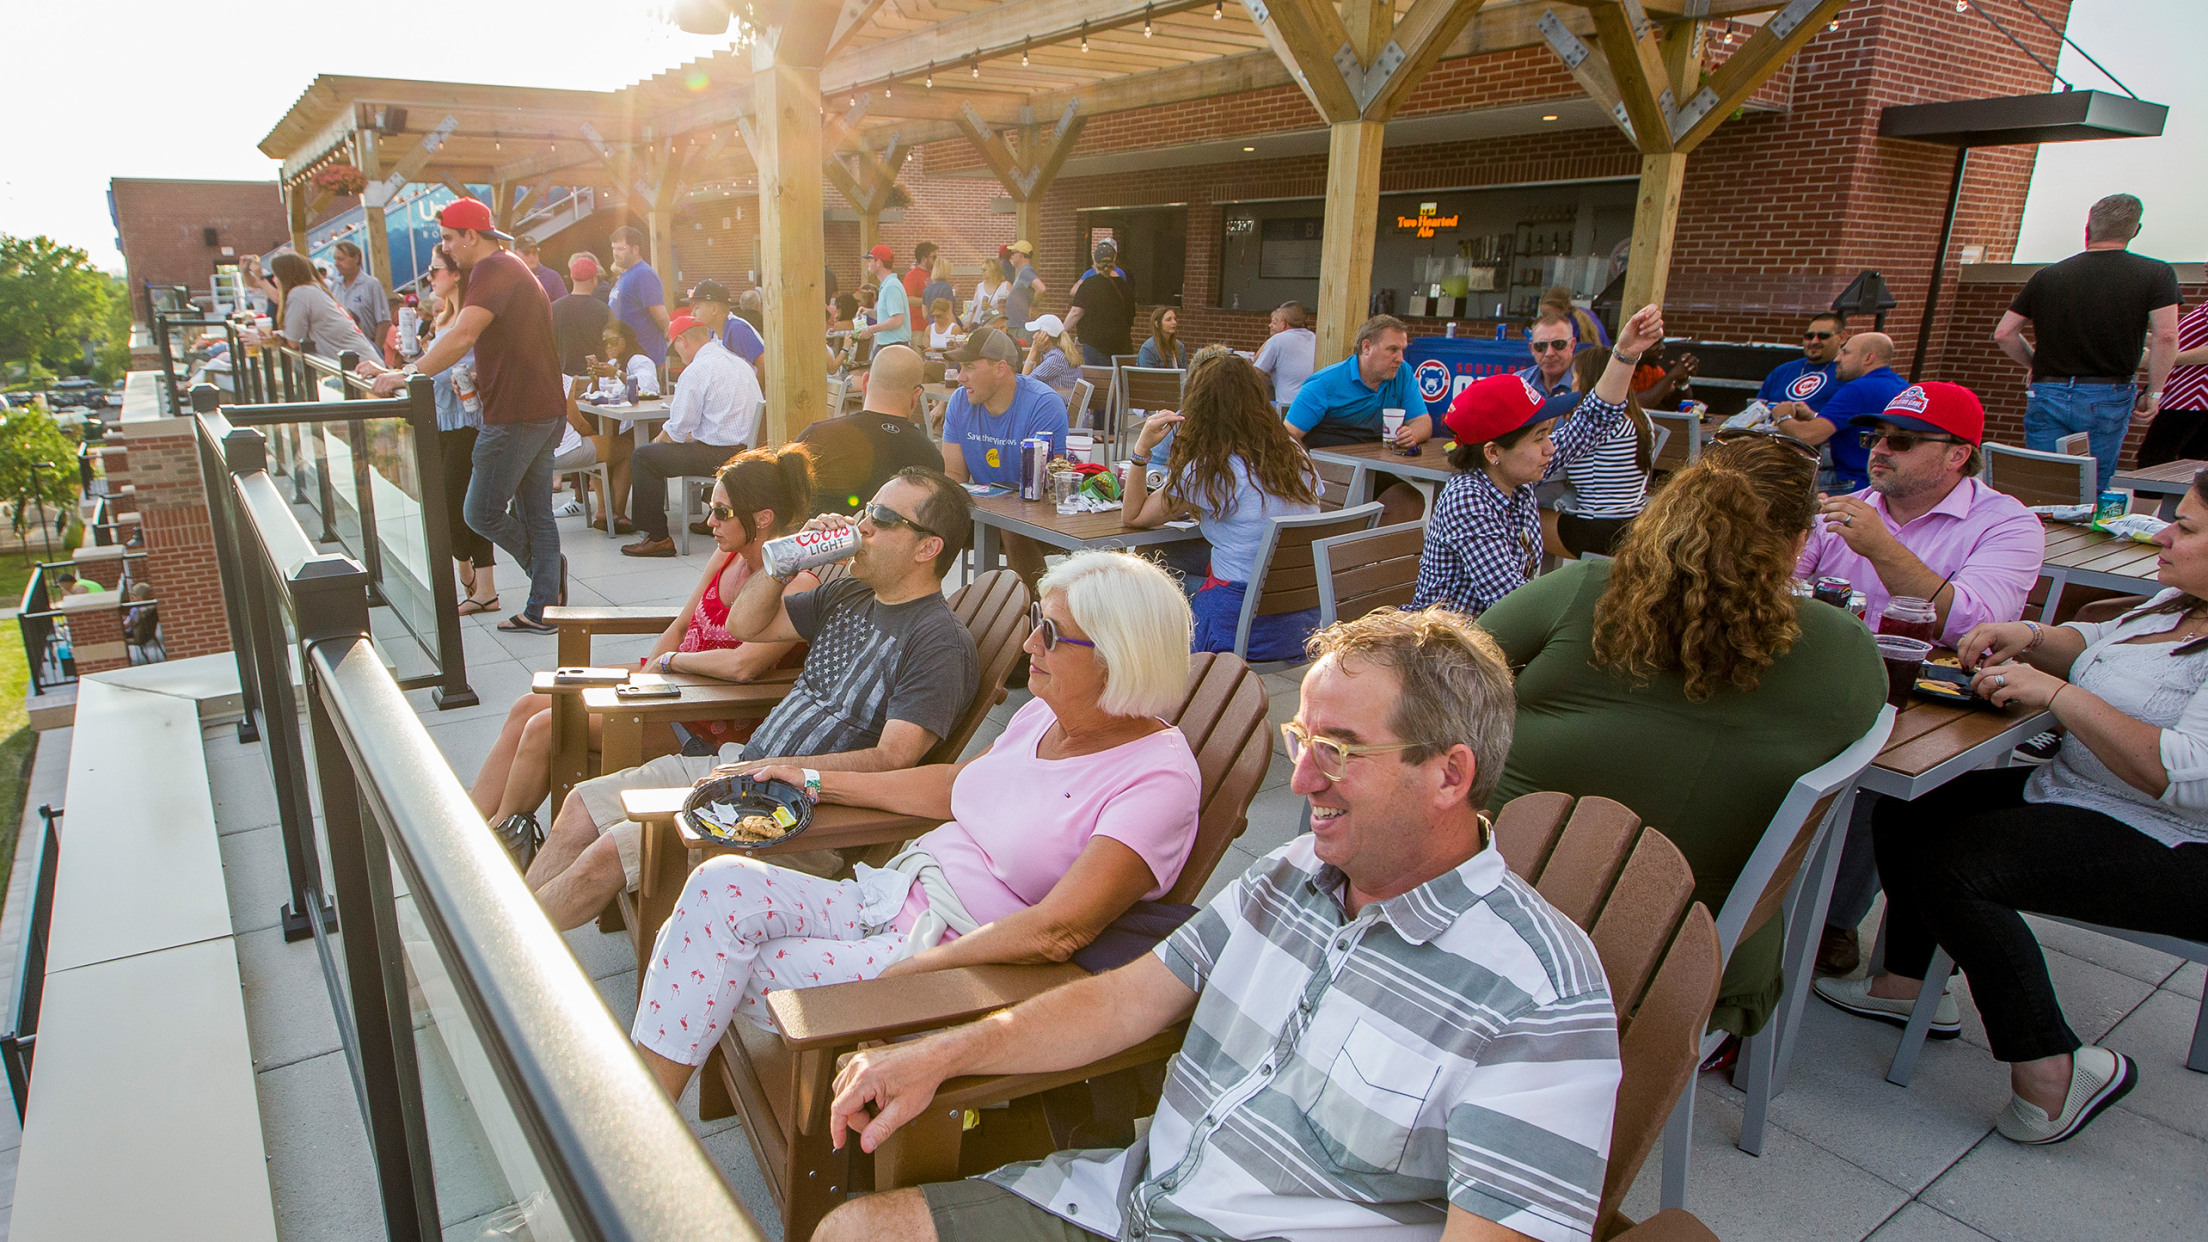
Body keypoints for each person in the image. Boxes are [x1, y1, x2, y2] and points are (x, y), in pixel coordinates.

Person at [812, 607, 1621, 1242]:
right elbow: (1126, 999)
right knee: (851, 1231)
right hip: (1125, 1204)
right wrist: (943, 1052)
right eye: (1303, 739)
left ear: (1450, 774)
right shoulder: (1290, 875)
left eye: (1340, 752)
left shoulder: (1539, 996)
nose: (1301, 781)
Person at [630, 550, 1202, 1096]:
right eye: (1034, 619)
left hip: (954, 958)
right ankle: (644, 1118)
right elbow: (960, 787)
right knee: (718, 885)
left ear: (1117, 656)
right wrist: (812, 780)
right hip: (893, 896)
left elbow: (1058, 932)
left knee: (727, 963)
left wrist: (916, 970)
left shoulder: (1156, 783)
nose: (1030, 643)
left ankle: (641, 1129)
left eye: (1050, 633)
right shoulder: (1044, 715)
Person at [1816, 468, 2208, 1146]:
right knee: (1911, 803)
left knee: (1958, 867)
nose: (2164, 533)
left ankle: (2052, 1070)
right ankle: (1908, 983)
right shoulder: (2178, 603)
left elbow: (2183, 776)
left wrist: (2056, 695)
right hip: (2081, 793)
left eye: (2188, 527)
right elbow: (2097, 642)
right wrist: (2030, 634)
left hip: (2172, 839)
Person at [1482, 430, 1883, 1037]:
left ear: (1667, 515)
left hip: (1505, 913)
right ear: (1801, 542)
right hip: (1699, 952)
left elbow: (1438, 683)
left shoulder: (1581, 592)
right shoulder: (1845, 650)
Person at [527, 468, 981, 928]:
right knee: (582, 805)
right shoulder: (849, 594)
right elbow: (743, 626)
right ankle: (505, 928)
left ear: (927, 548)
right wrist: (786, 560)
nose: (861, 526)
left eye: (881, 518)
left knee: (613, 850)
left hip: (800, 812)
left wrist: (792, 772)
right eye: (865, 511)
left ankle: (506, 953)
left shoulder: (937, 643)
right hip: (741, 768)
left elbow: (893, 759)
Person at [1800, 382, 2047, 970]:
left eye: (1904, 441)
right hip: (1829, 671)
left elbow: (1976, 625)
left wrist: (1882, 549)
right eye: (1876, 436)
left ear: (1958, 454)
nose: (1881, 449)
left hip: (1933, 697)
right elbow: (1788, 585)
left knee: (1885, 775)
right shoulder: (1848, 507)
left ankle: (1832, 919)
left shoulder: (2007, 524)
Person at [470, 447, 820, 856]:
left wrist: (670, 664)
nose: (710, 522)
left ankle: (499, 850)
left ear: (763, 518)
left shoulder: (797, 583)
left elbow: (745, 665)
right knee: (527, 707)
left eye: (722, 513)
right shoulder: (727, 555)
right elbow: (681, 625)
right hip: (669, 690)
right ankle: (471, 830)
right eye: (711, 507)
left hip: (705, 718)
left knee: (545, 727)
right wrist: (647, 678)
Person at [368, 197, 565, 636]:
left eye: (448, 238)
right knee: (536, 515)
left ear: (471, 236)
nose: (445, 248)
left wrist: (406, 374)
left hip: (516, 413)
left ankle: (546, 579)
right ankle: (544, 604)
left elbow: (463, 335)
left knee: (479, 512)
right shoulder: (511, 266)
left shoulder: (493, 269)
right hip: (539, 408)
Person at [1411, 303, 1666, 615]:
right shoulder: (1468, 498)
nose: (1550, 448)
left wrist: (1625, 352)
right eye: (1539, 437)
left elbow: (1594, 419)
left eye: (1548, 434)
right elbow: (1512, 602)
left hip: (1493, 632)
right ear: (1493, 452)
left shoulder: (1513, 476)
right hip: (1452, 638)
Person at [1124, 347, 1321, 659]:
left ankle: (1146, 665)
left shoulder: (1212, 467)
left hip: (1239, 625)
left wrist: (1141, 450)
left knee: (1140, 570)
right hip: (1303, 624)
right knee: (1162, 554)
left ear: (1197, 405)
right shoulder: (1293, 452)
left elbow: (1134, 516)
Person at [1996, 193, 2182, 488]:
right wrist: (2154, 392)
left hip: (2048, 389)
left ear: (2088, 227)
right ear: (2135, 230)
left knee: (2042, 484)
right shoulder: (2156, 273)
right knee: (2090, 485)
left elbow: (2004, 333)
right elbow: (2167, 335)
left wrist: (2035, 366)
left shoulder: (2048, 275)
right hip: (2108, 391)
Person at [623, 313, 765, 557]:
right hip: (747, 451)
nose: (678, 355)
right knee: (698, 442)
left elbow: (676, 431)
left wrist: (655, 443)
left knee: (644, 456)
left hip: (721, 456)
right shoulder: (739, 362)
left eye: (676, 348)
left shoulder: (696, 370)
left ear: (682, 340)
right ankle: (713, 515)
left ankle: (657, 537)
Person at [940, 327, 1069, 589]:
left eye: (969, 367)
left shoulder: (1043, 403)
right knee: (920, 517)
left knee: (1012, 525)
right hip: (980, 510)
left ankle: (1031, 609)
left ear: (1000, 368)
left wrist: (1001, 511)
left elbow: (1048, 484)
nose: (960, 377)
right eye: (960, 367)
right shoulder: (959, 401)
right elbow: (953, 477)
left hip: (1034, 515)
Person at [421, 246, 500, 616]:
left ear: (455, 274)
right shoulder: (443, 318)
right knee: (448, 504)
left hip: (468, 423)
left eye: (435, 269)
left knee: (466, 504)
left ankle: (485, 587)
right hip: (442, 421)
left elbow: (459, 366)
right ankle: (468, 573)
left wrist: (408, 372)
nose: (429, 277)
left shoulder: (467, 321)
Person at [798, 344, 942, 515]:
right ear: (916, 395)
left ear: (865, 382)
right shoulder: (930, 456)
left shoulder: (815, 436)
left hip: (822, 531)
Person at [1553, 345, 1656, 558]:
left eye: (1575, 376)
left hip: (1596, 531)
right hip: (1632, 525)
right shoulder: (1640, 418)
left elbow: (1549, 460)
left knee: (1523, 518)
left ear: (1591, 380)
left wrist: (1551, 419)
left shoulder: (1600, 426)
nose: (1571, 383)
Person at [1774, 331, 1909, 492]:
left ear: (1868, 358)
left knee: (1775, 484)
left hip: (1854, 482)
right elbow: (1857, 428)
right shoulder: (1901, 386)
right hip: (1885, 480)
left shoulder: (1858, 389)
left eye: (1845, 352)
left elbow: (1809, 436)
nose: (1837, 359)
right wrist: (1814, 417)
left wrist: (1782, 416)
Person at [1283, 314, 1429, 448]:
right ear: (1367, 347)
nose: (1400, 359)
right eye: (1392, 349)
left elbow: (1423, 422)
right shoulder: (1323, 383)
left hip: (1379, 460)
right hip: (1331, 462)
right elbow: (1287, 436)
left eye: (1402, 350)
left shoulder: (1402, 372)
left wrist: (1411, 435)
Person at [579, 319, 658, 535]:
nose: (608, 346)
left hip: (644, 423)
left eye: (612, 341)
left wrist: (616, 373)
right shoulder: (613, 362)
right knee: (604, 444)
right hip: (618, 422)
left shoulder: (639, 360)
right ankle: (606, 511)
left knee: (623, 447)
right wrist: (596, 380)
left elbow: (647, 389)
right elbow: (596, 393)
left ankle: (615, 511)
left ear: (626, 339)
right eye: (604, 342)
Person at [268, 252, 380, 362]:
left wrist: (273, 339)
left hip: (359, 366)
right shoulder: (312, 289)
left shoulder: (300, 294)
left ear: (285, 276)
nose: (274, 280)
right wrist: (277, 336)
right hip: (364, 362)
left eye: (276, 275)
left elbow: (294, 342)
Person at [2136, 299, 2208, 466]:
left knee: (2154, 459)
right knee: (2191, 462)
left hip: (2193, 396)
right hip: (2187, 394)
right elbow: (2180, 340)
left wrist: (2163, 359)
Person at [1757, 312, 1845, 415]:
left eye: (1823, 336)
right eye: (1809, 336)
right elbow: (1756, 412)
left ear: (1842, 338)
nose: (1814, 342)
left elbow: (1846, 419)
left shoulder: (1847, 373)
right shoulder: (1781, 372)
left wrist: (1812, 416)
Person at [608, 225, 671, 367]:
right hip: (628, 357)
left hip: (644, 359)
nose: (615, 253)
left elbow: (661, 317)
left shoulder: (644, 274)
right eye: (613, 248)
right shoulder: (627, 274)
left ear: (635, 249)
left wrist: (665, 334)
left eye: (621, 249)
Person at [1065, 239, 1135, 365]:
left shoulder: (1089, 284)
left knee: (1098, 378)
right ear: (1114, 260)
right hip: (1123, 347)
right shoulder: (1125, 286)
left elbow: (1076, 313)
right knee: (1118, 378)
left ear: (1094, 262)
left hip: (1096, 347)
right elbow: (1130, 317)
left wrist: (1061, 332)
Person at [551, 253, 610, 377]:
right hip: (595, 378)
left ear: (572, 278)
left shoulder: (554, 308)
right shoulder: (603, 310)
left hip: (565, 378)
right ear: (594, 279)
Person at [687, 279, 766, 372]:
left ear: (714, 309)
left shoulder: (737, 330)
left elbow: (763, 363)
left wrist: (753, 382)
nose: (693, 314)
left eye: (697, 308)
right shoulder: (712, 331)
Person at [1252, 300, 1316, 407]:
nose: (1270, 325)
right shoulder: (1315, 338)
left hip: (1288, 407)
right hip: (1315, 406)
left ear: (1283, 323)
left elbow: (1255, 373)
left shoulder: (1278, 340)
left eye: (1274, 322)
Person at [329, 241, 390, 341]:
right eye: (335, 259)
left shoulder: (371, 285)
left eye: (341, 259)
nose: (336, 264)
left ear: (356, 259)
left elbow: (383, 322)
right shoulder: (335, 286)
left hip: (366, 343)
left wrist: (376, 348)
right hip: (340, 345)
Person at [1020, 313, 1082, 402]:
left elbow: (1024, 383)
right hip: (1061, 403)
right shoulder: (1058, 353)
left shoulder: (1056, 359)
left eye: (1036, 332)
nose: (1033, 336)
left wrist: (1033, 349)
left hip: (1062, 407)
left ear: (1045, 336)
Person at [1518, 314, 1578, 399]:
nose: (1549, 353)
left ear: (1572, 345)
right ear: (1532, 349)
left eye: (1558, 344)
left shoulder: (1590, 385)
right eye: (1541, 346)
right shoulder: (1519, 383)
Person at [1540, 284, 1609, 347]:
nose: (1544, 319)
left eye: (1547, 314)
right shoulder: (1586, 313)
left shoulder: (1569, 326)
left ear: (1560, 310)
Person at [1004, 240, 1045, 341]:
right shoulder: (1023, 272)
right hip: (1017, 326)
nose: (1011, 256)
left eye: (1013, 253)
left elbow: (1041, 289)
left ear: (1020, 255)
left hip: (1021, 327)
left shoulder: (1026, 271)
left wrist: (1034, 306)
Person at [517, 235, 567, 304]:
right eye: (526, 252)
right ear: (516, 254)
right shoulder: (510, 277)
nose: (532, 256)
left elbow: (564, 304)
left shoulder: (552, 277)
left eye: (534, 252)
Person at [968, 257, 1009, 327]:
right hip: (978, 325)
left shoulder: (1005, 286)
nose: (982, 271)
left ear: (993, 270)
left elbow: (1009, 310)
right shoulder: (979, 286)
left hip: (996, 326)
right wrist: (969, 323)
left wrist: (991, 309)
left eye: (984, 269)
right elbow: (974, 311)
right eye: (981, 269)